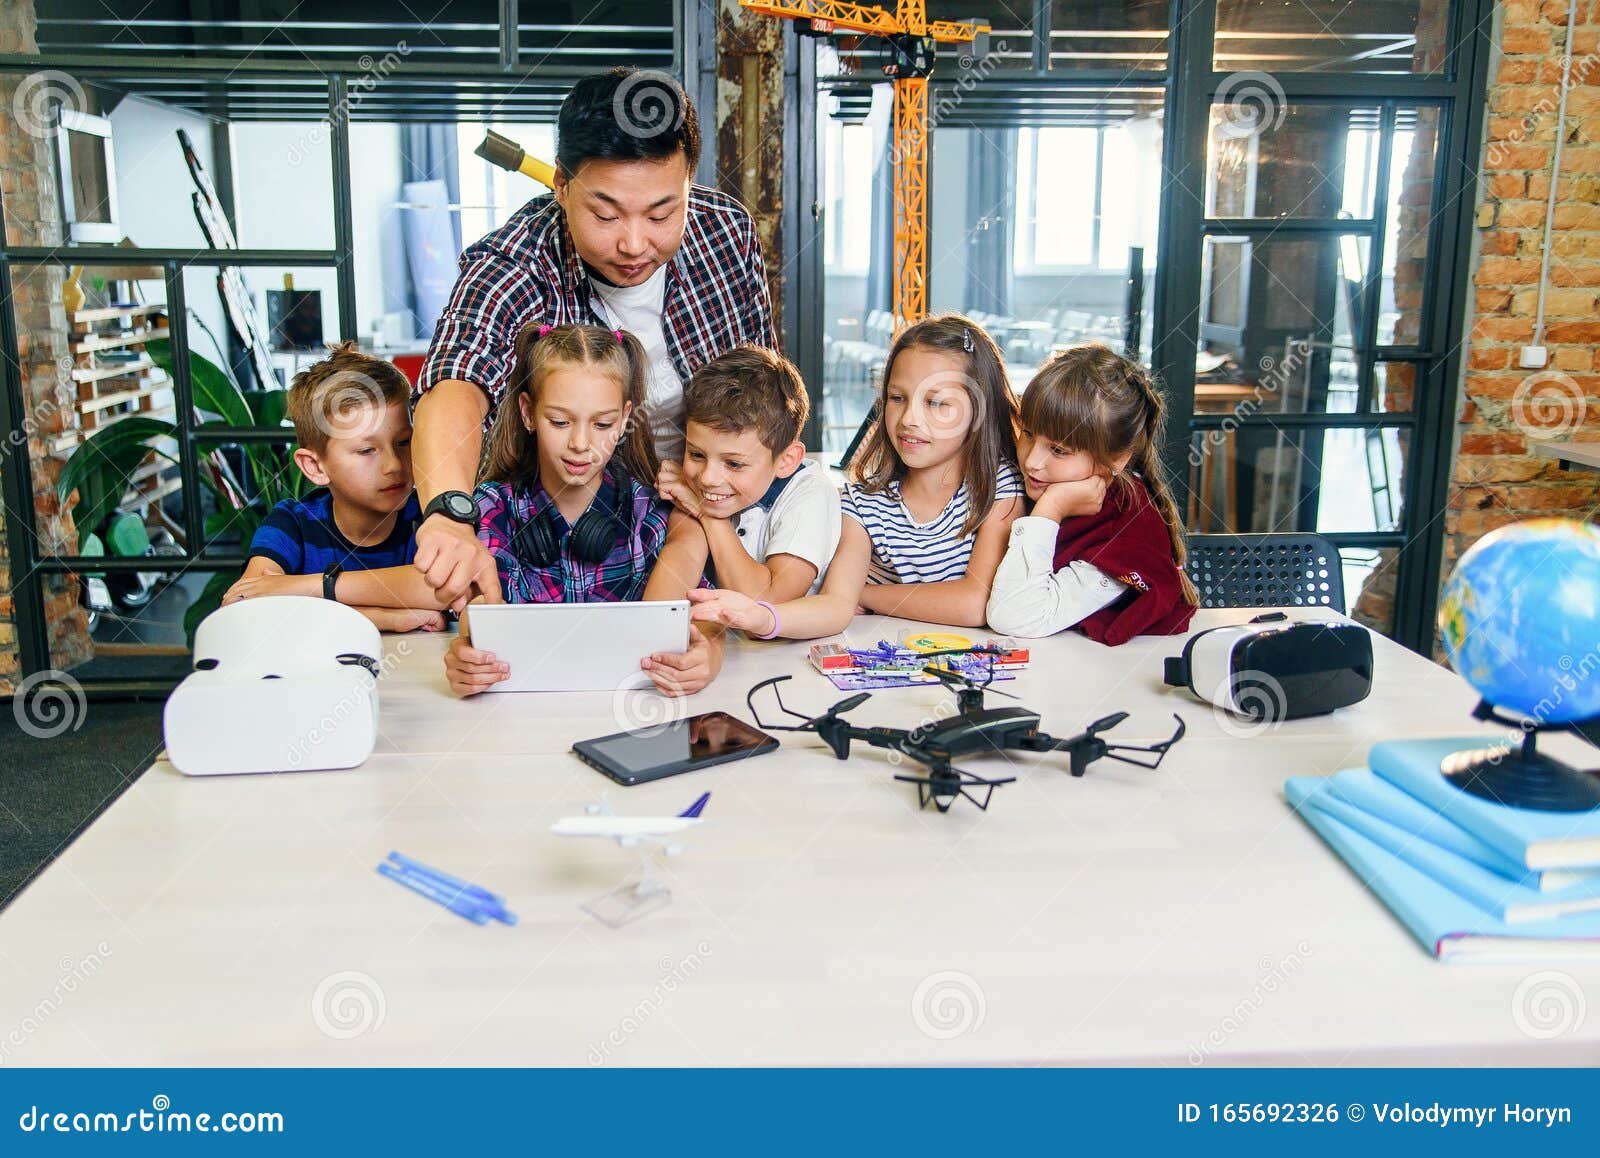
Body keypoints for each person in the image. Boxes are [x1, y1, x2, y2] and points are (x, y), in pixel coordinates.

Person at [412, 67, 776, 614]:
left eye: (662, 212)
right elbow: (457, 384)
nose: (634, 243)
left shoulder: (726, 233)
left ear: (688, 181)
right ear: (561, 184)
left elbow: (763, 391)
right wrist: (448, 513)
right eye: (605, 214)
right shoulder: (513, 263)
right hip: (578, 537)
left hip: (719, 515)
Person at [685, 315, 1023, 640]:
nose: (909, 418)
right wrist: (762, 617)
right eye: (897, 398)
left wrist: (869, 594)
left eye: (936, 403)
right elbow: (835, 605)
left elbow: (975, 604)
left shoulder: (999, 488)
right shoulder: (863, 503)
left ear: (979, 407)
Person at [442, 323, 720, 698]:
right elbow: (477, 617)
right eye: (559, 421)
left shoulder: (648, 513)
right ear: (527, 412)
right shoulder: (494, 508)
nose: (580, 443)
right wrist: (467, 656)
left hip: (632, 714)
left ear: (624, 420)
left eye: (602, 424)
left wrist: (710, 656)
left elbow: (704, 619)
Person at [224, 343, 447, 632]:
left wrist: (315, 587)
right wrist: (386, 617)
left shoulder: (431, 516)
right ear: (315, 467)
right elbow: (247, 604)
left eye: (404, 442)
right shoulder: (292, 523)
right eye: (367, 450)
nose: (394, 465)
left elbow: (442, 589)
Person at [985, 343, 1197, 644]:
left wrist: (1051, 508)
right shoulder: (1022, 478)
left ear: (1117, 459)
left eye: (1059, 450)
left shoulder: (1127, 531)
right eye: (1028, 434)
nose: (1032, 461)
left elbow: (1014, 617)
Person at [654, 345, 841, 603]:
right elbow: (679, 566)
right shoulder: (697, 489)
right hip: (729, 642)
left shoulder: (811, 494)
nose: (708, 478)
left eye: (733, 464)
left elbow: (767, 601)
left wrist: (707, 516)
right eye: (697, 455)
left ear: (786, 461)